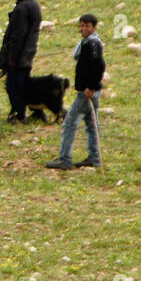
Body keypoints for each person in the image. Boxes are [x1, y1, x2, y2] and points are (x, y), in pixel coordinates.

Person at [47, 14, 106, 170]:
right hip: (91, 91)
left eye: (87, 26)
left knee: (69, 124)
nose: (83, 29)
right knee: (92, 125)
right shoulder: (90, 42)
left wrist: (90, 87)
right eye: (81, 26)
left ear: (94, 27)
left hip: (87, 92)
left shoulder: (92, 44)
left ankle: (65, 159)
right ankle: (94, 157)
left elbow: (99, 66)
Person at [0, 0, 42, 123]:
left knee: (14, 86)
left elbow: (18, 36)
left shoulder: (22, 7)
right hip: (28, 52)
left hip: (20, 55)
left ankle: (18, 114)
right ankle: (37, 111)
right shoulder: (33, 4)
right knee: (25, 84)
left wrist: (11, 58)